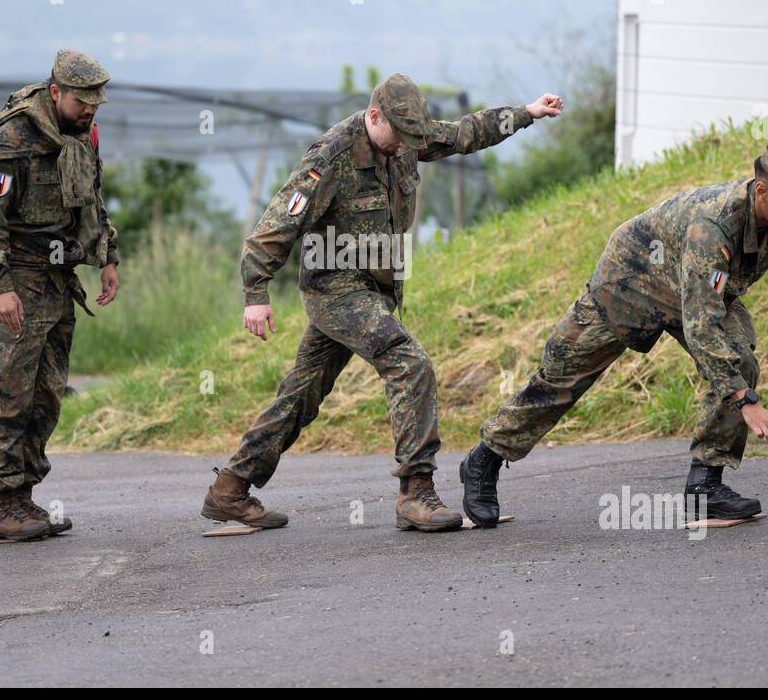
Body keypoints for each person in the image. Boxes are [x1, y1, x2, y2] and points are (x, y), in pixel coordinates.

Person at [460, 142, 768, 528]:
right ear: (761, 191)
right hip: (631, 282)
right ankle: (485, 459)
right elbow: (701, 322)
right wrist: (745, 401)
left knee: (739, 359)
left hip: (693, 291)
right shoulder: (713, 227)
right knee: (561, 380)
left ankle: (704, 485)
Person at [202, 73, 564, 532]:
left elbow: (464, 134)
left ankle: (229, 490)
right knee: (409, 363)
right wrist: (256, 294)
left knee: (301, 395)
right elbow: (276, 226)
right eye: (399, 136)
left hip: (374, 292)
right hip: (335, 287)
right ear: (374, 117)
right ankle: (416, 493)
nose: (406, 147)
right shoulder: (330, 157)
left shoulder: (405, 134)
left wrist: (527, 114)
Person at [0, 49, 120, 542]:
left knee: (47, 394)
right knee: (10, 393)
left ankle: (23, 498)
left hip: (58, 278)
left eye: (96, 100)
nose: (90, 108)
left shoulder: (81, 135)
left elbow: (93, 200)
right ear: (55, 93)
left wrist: (106, 258)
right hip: (18, 279)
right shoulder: (15, 138)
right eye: (80, 100)